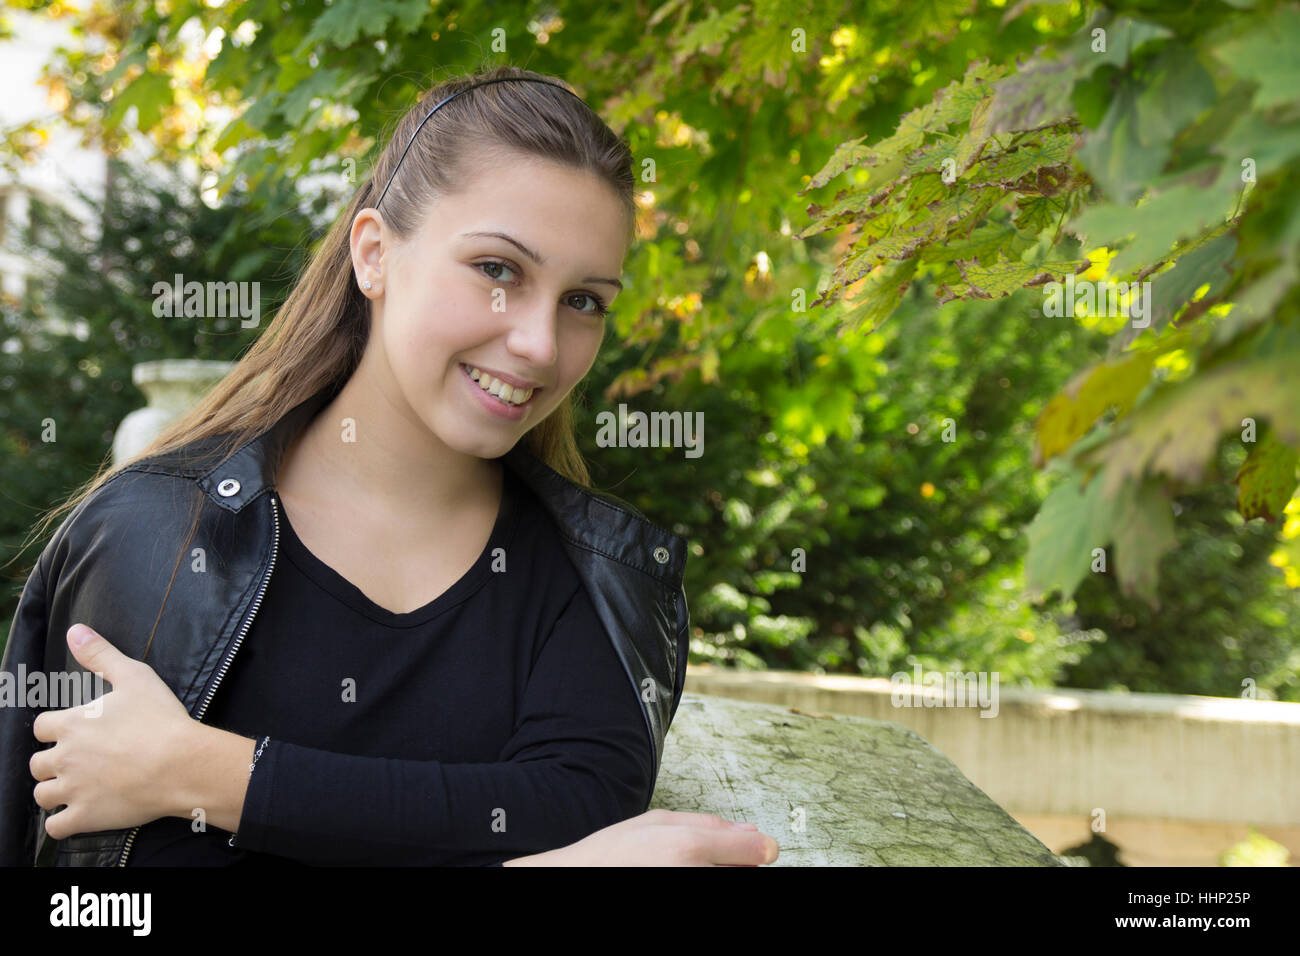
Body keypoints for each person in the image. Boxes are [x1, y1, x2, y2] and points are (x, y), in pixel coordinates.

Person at [0, 65, 779, 867]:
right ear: (373, 254)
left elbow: (568, 809)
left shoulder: (601, 582)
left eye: (584, 300)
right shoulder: (157, 538)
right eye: (498, 270)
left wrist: (212, 774)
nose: (541, 345)